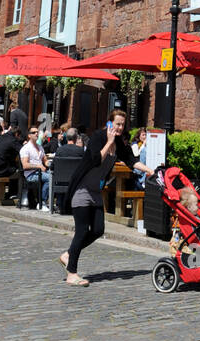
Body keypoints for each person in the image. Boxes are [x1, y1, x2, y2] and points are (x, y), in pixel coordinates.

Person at [60, 108, 142, 286]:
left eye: (122, 124)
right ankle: (71, 274)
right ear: (109, 123)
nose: (120, 128)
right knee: (82, 231)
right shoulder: (98, 137)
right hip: (81, 189)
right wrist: (109, 141)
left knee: (98, 230)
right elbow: (95, 159)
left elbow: (131, 160)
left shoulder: (119, 143)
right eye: (117, 124)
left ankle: (68, 254)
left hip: (96, 192)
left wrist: (150, 170)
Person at [20, 126, 52, 209]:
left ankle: (56, 203)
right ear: (29, 135)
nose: (36, 134)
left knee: (55, 176)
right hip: (31, 174)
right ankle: (42, 202)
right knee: (50, 178)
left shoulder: (40, 147)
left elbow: (45, 160)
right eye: (33, 132)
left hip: (41, 172)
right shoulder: (26, 148)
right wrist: (39, 166)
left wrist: (49, 164)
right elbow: (25, 165)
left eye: (37, 132)